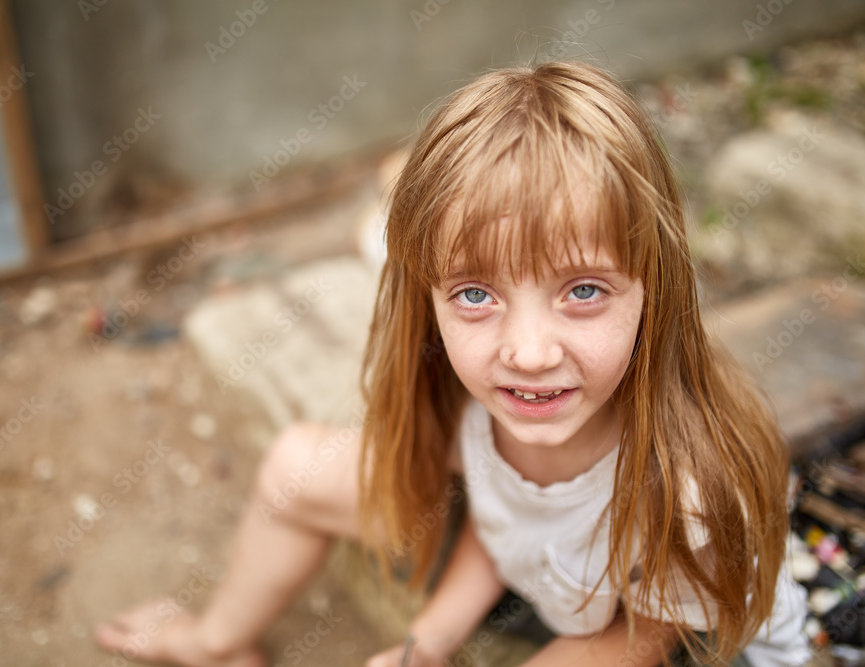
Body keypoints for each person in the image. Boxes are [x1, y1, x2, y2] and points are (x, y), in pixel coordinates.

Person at [93, 61, 812, 666]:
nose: (529, 353)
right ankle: (213, 641)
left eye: (583, 289)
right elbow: (503, 522)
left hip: (685, 642)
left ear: (656, 288)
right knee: (296, 467)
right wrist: (425, 643)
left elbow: (635, 640)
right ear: (426, 300)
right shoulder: (485, 405)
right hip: (562, 585)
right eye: (475, 293)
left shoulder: (683, 493)